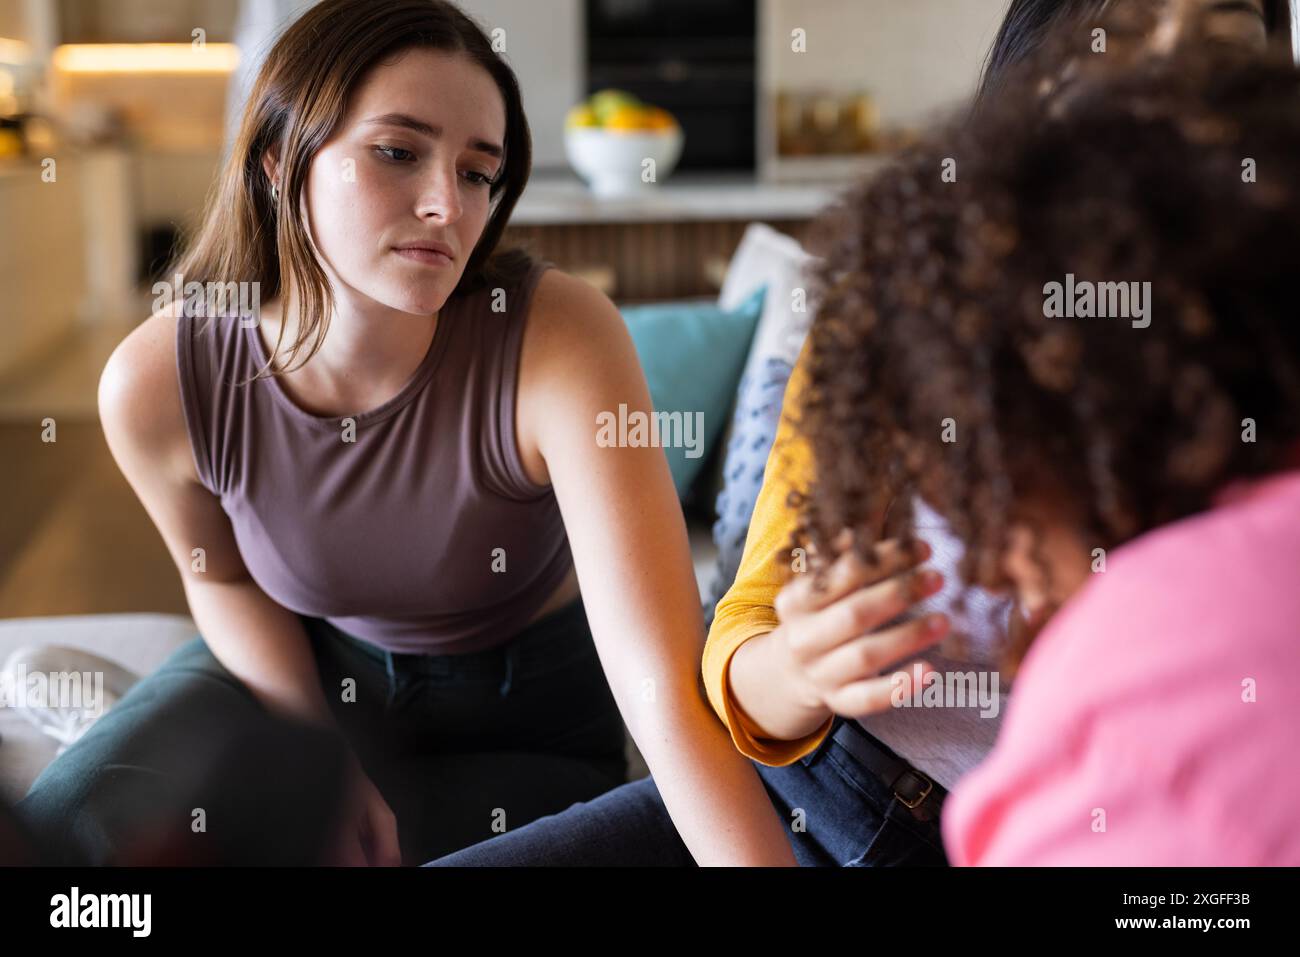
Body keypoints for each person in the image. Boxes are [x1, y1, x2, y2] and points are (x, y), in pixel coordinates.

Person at [429, 0, 1298, 866]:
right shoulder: (908, 307)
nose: (1164, 77)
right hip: (813, 792)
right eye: (1128, 33)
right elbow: (743, 647)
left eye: (1219, 33)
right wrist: (801, 668)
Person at [15, 0, 795, 867]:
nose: (445, 205)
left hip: (523, 717)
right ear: (281, 161)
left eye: (476, 172)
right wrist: (322, 748)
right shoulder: (159, 381)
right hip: (300, 677)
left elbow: (664, 689)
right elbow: (225, 575)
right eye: (397, 151)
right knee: (73, 823)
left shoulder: (559, 340)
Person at [794, 21, 1300, 865]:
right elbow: (738, 639)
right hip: (831, 770)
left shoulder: (1151, 673)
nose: (991, 567)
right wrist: (795, 662)